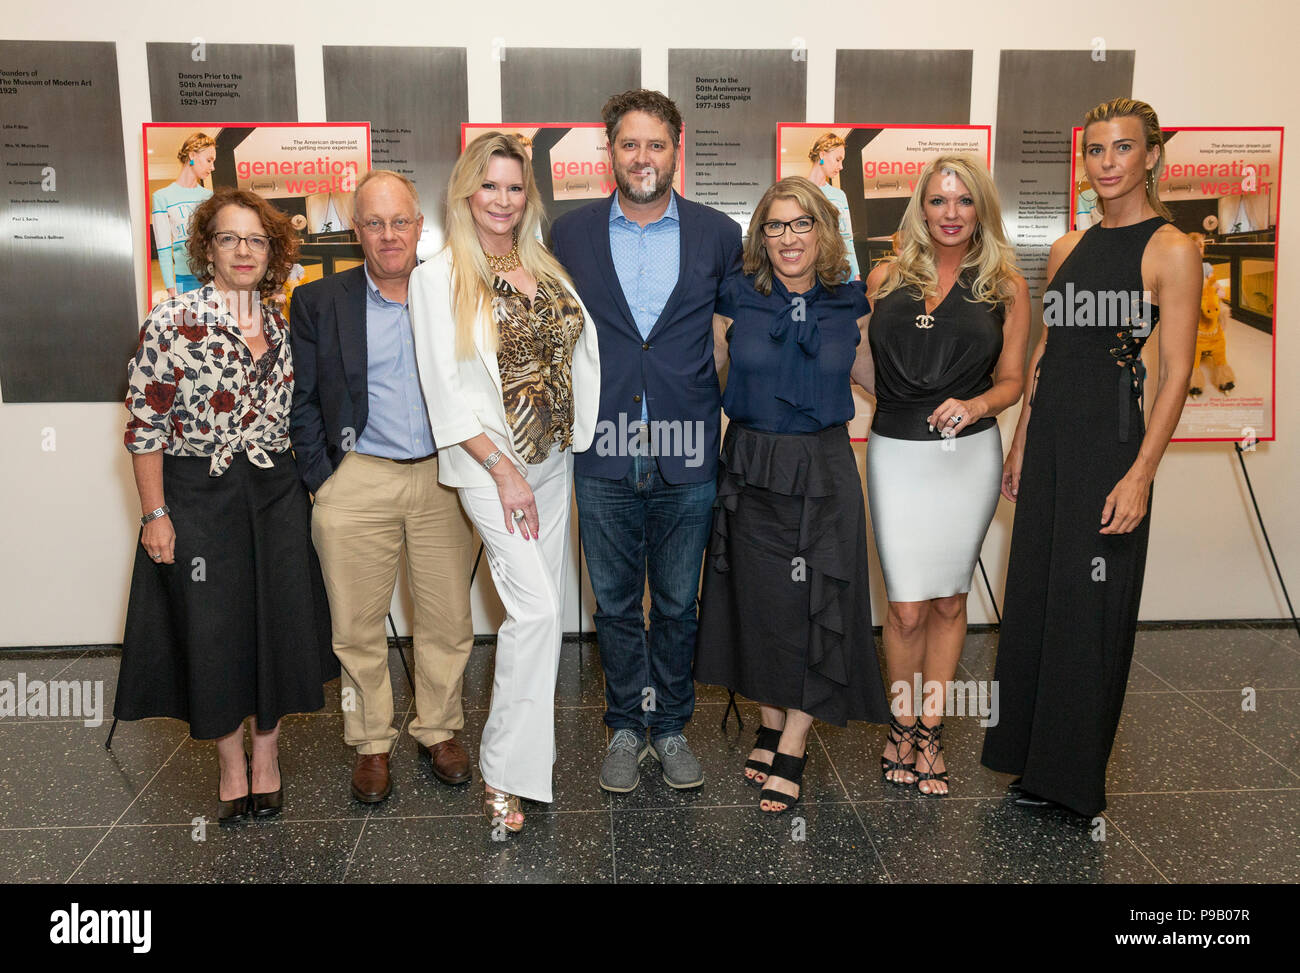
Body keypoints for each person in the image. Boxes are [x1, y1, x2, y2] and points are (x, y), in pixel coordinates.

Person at [981, 98, 1199, 816]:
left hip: (1110, 441)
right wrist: (1020, 439)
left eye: (1123, 149)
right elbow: (1046, 349)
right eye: (1097, 150)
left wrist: (1141, 473)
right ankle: (1031, 762)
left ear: (1152, 157)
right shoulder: (1071, 246)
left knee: (1090, 604)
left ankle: (1073, 779)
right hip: (1049, 441)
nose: (1107, 162)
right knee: (1040, 594)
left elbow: (1174, 372)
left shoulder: (1170, 248)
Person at [117, 187, 338, 824]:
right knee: (213, 629)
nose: (243, 250)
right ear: (207, 248)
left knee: (276, 621)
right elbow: (143, 426)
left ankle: (266, 757)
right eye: (229, 238)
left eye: (256, 239)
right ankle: (230, 762)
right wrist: (155, 515)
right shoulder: (172, 321)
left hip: (275, 492)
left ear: (273, 251)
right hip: (198, 495)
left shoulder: (281, 320)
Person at [549, 90, 742, 794]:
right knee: (616, 601)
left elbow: (724, 340)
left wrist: (690, 399)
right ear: (610, 152)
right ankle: (626, 723)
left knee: (678, 599)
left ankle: (671, 725)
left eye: (656, 144)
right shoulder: (566, 236)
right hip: (600, 450)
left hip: (687, 451)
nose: (642, 157)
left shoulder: (719, 234)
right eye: (629, 144)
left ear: (676, 149)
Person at [410, 132, 600, 833]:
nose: (502, 199)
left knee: (541, 616)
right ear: (465, 191)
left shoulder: (542, 265)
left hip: (553, 462)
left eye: (515, 187)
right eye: (489, 186)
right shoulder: (438, 277)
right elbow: (447, 392)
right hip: (496, 470)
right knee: (539, 613)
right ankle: (502, 768)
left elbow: (570, 357)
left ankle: (529, 766)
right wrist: (502, 470)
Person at [695, 177, 891, 812]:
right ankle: (772, 719)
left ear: (824, 231)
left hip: (823, 469)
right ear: (761, 237)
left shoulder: (850, 304)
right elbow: (699, 373)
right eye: (775, 226)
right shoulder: (734, 298)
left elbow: (878, 381)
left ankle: (794, 745)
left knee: (813, 604)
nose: (788, 238)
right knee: (759, 603)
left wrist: (962, 404)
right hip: (750, 468)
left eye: (801, 224)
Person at [289, 170, 477, 805]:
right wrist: (324, 482)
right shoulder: (321, 302)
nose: (389, 234)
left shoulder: (454, 293)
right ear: (356, 230)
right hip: (358, 476)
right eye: (375, 222)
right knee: (356, 624)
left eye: (401, 221)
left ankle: (439, 729)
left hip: (443, 475)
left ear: (421, 227)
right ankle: (370, 742)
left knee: (448, 619)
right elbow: (304, 400)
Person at [863, 155, 1030, 796]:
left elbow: (1014, 380)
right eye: (938, 201)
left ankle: (929, 729)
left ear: (980, 208)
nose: (951, 213)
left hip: (968, 457)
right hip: (895, 452)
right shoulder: (883, 279)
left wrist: (976, 404)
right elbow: (857, 358)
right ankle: (900, 721)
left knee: (949, 599)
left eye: (963, 201)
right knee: (905, 608)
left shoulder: (1006, 285)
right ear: (921, 208)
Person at [152, 132, 216, 298]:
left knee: (214, 323)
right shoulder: (162, 197)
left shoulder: (209, 197)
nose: (212, 167)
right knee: (186, 323)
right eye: (209, 160)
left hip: (213, 276)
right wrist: (170, 287)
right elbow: (164, 247)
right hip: (184, 280)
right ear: (192, 156)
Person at [807, 132, 860, 281]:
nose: (841, 166)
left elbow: (847, 238)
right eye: (838, 159)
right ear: (822, 155)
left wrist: (855, 275)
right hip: (810, 273)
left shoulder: (839, 196)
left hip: (839, 272)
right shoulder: (800, 192)